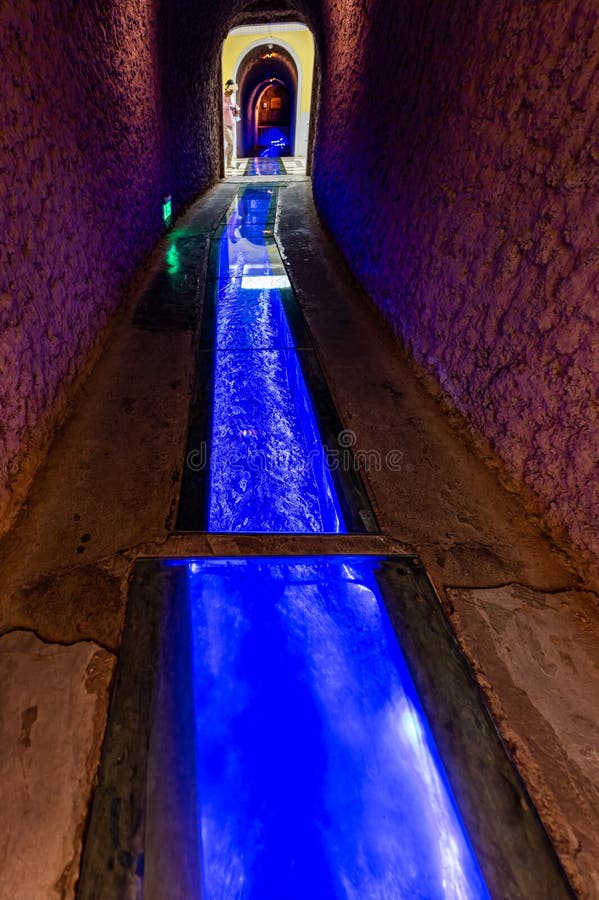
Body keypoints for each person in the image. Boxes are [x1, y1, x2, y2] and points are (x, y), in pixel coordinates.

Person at [223, 79, 240, 170]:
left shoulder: (231, 97)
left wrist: (236, 108)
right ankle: (222, 160)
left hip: (231, 123)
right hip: (225, 124)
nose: (233, 91)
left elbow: (232, 109)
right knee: (230, 143)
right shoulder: (223, 95)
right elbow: (223, 109)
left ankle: (229, 163)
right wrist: (227, 102)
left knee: (232, 144)